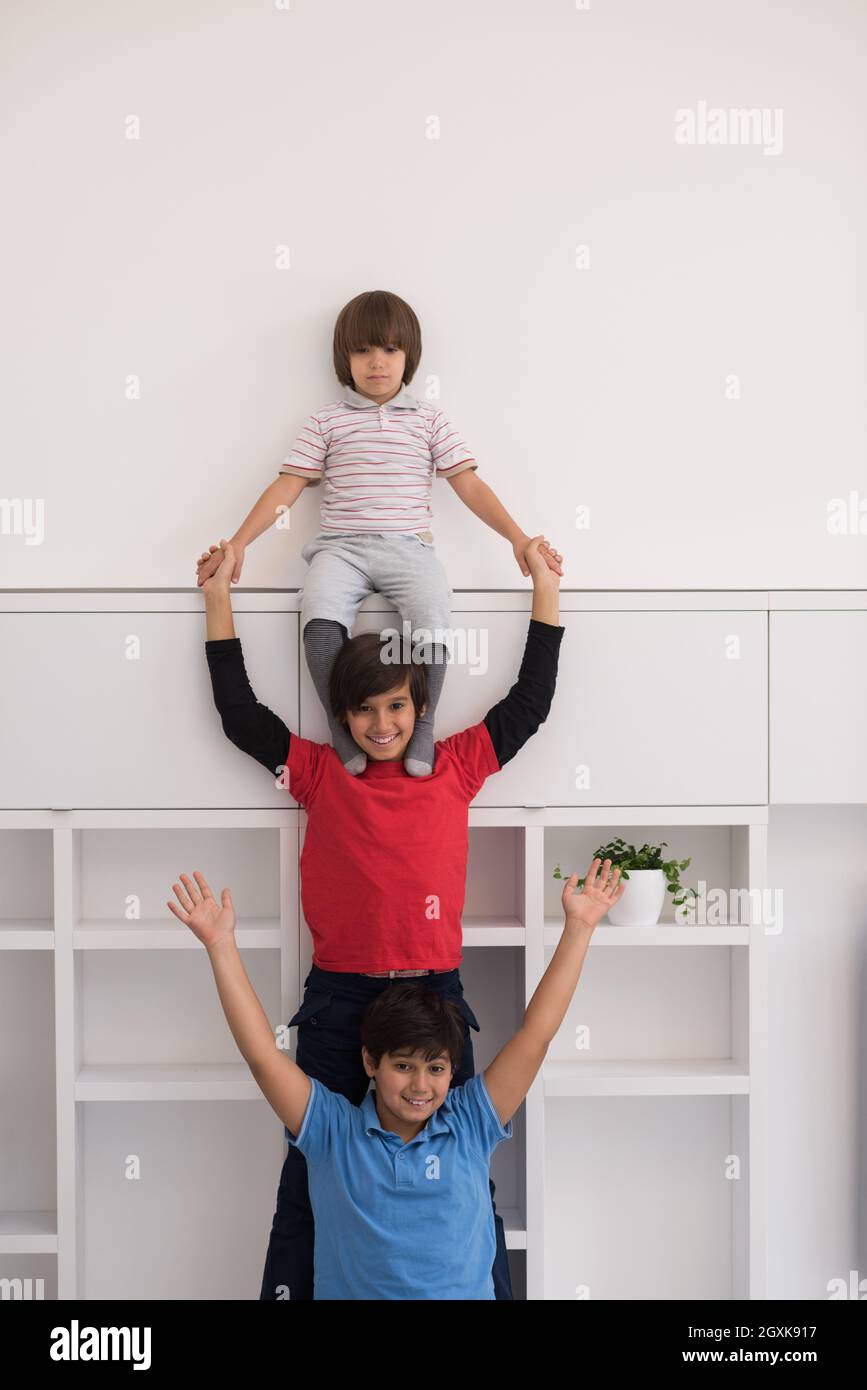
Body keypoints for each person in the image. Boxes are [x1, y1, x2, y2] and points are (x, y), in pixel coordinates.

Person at [201, 533, 564, 1300]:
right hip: (339, 998)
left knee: (468, 1176)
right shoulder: (318, 771)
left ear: (418, 705)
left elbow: (528, 706)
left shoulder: (457, 766)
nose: (379, 723)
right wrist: (217, 597)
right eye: (361, 709)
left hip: (434, 995)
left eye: (394, 705)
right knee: (307, 1182)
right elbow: (241, 717)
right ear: (342, 715)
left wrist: (543, 587)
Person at [167, 855, 625, 1299]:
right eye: (403, 1066)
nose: (420, 1087)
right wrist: (220, 944)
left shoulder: (469, 1124)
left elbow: (536, 1035)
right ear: (371, 1063)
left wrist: (580, 927)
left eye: (436, 1069)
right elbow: (263, 1057)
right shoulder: (333, 1133)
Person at [194, 287, 563, 776]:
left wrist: (518, 539)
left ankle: (423, 726)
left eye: (389, 349)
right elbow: (287, 486)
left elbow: (468, 485)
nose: (376, 362)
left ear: (408, 356)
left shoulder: (429, 420)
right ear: (344, 358)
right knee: (319, 616)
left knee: (433, 611)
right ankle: (340, 726)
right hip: (340, 550)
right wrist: (239, 542)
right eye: (363, 350)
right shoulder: (326, 422)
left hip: (408, 548)